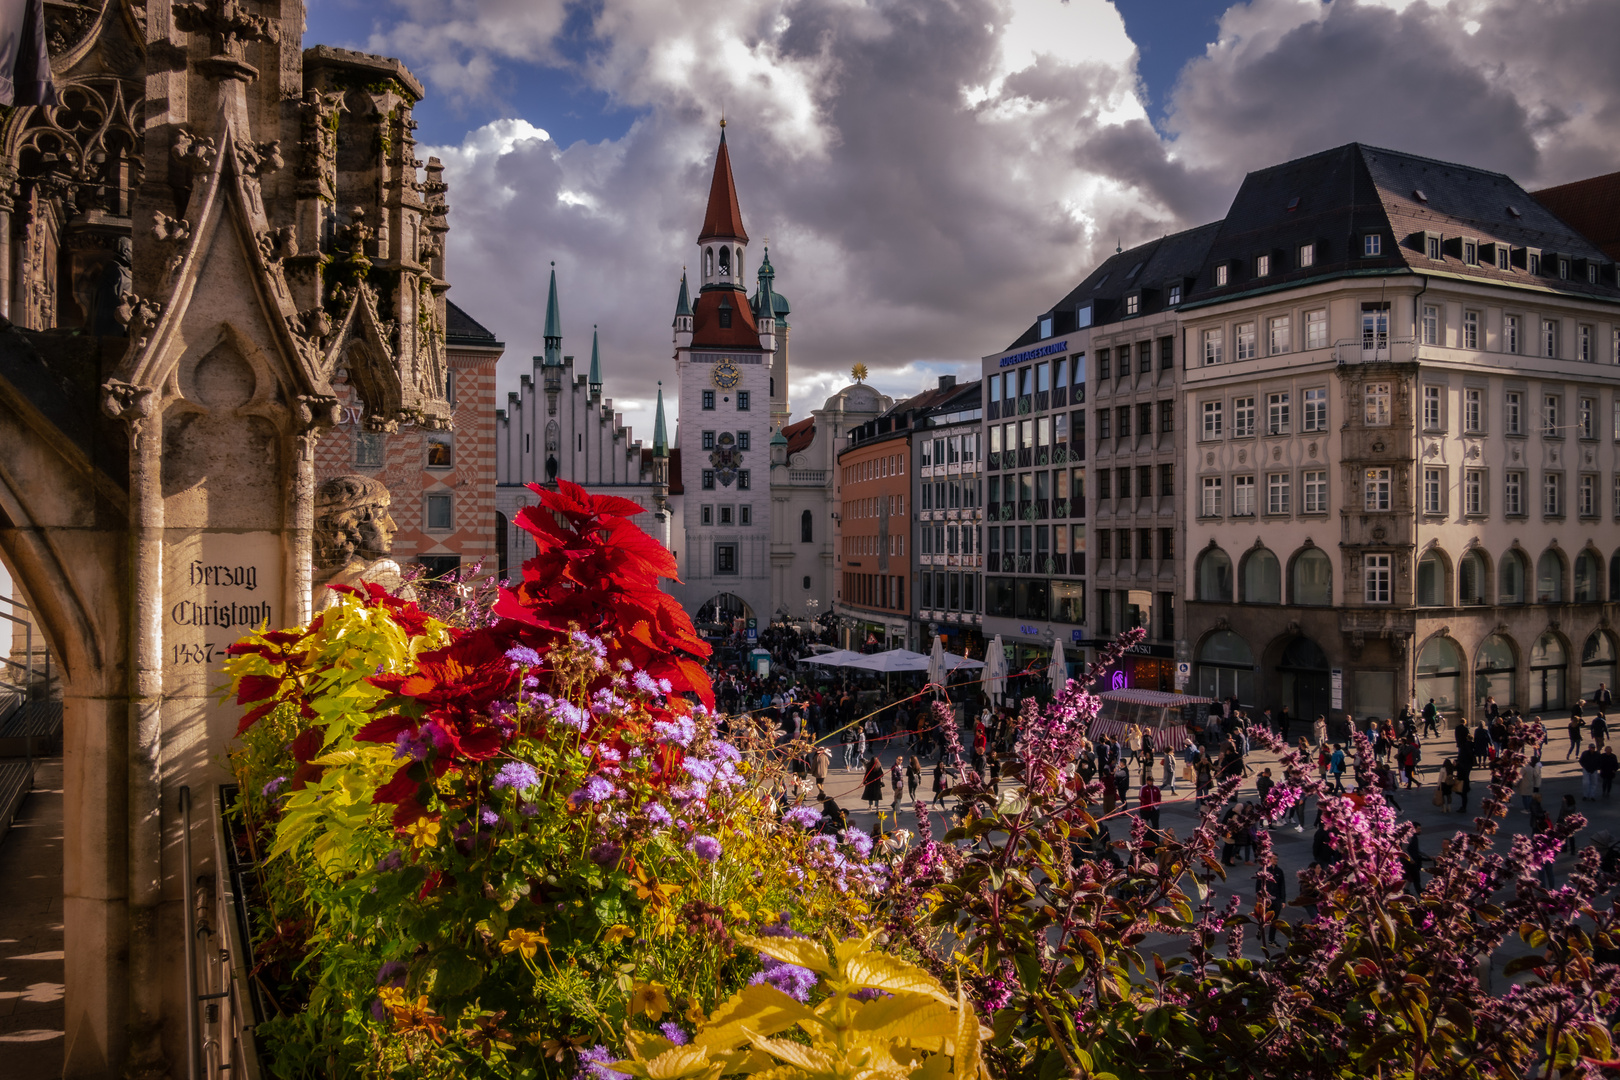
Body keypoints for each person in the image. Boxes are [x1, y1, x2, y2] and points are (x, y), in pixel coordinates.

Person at [1403, 824, 1427, 896]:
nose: (1420, 830)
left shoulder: (1415, 837)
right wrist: (1410, 859)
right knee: (1416, 878)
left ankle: (1405, 890)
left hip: (1413, 861)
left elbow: (1417, 849)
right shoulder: (1408, 838)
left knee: (1410, 877)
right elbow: (1404, 850)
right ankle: (1420, 894)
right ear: (1414, 829)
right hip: (1409, 862)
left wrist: (1428, 856)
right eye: (1419, 829)